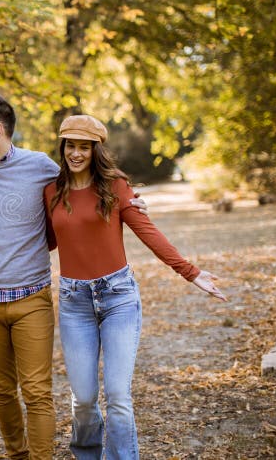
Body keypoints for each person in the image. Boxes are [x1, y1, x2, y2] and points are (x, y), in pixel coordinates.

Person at [0, 95, 147, 460]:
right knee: (2, 390)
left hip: (31, 300)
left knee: (37, 391)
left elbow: (81, 182)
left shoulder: (40, 167)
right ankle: (16, 454)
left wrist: (128, 198)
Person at [44, 115, 227, 460]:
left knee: (117, 396)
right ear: (63, 147)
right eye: (71, 145)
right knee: (83, 399)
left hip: (118, 298)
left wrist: (190, 272)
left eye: (84, 146)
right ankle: (87, 455)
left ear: (96, 150)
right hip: (74, 301)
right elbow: (50, 241)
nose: (76, 153)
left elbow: (148, 232)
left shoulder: (115, 185)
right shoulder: (52, 191)